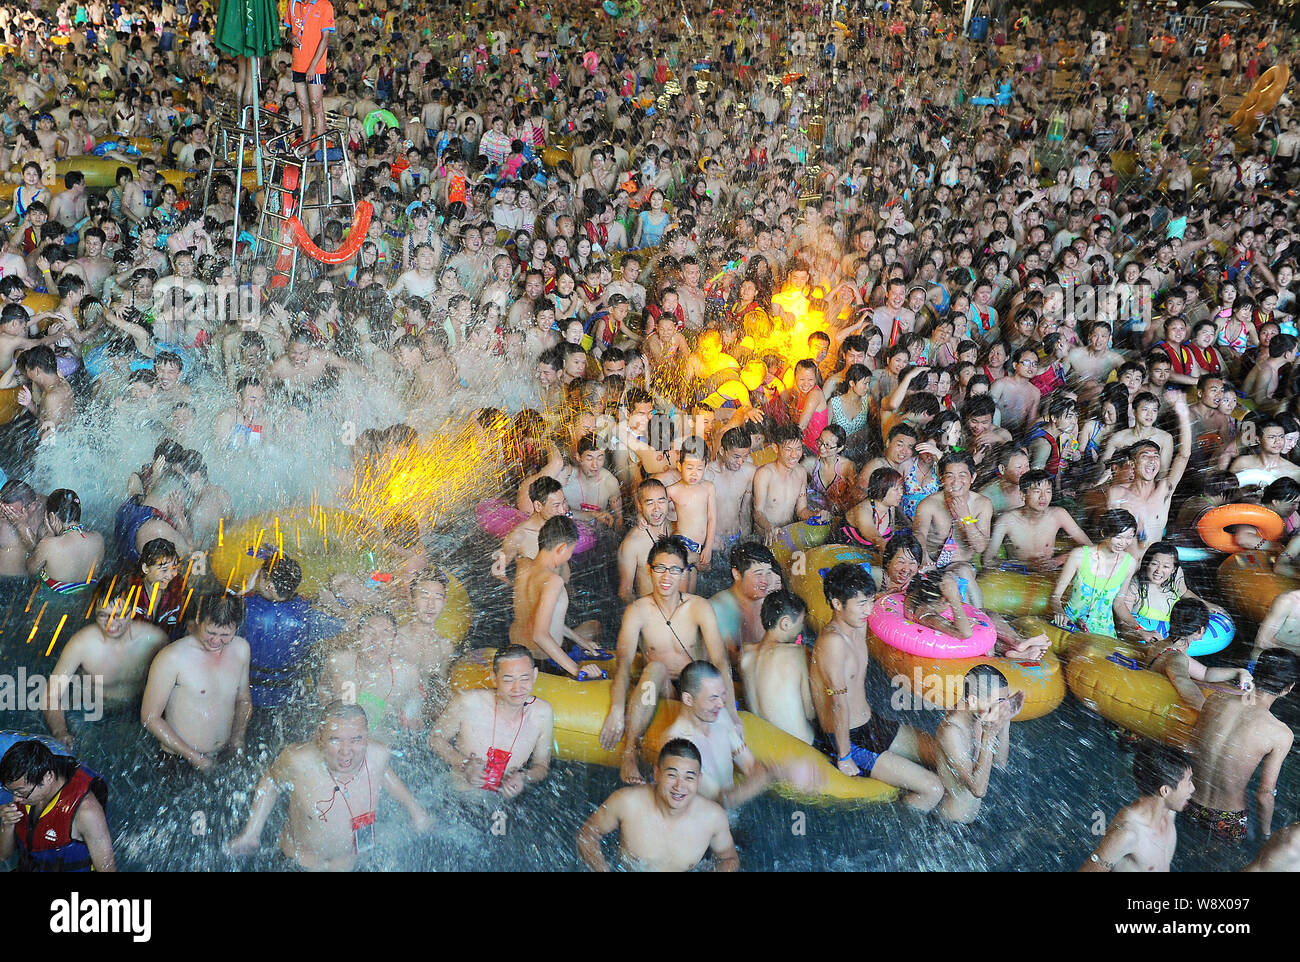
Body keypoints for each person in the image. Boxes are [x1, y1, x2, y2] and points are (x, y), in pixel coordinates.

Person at [227, 702, 433, 871]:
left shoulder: (378, 755)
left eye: (356, 740)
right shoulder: (299, 761)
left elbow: (386, 774)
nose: (346, 751)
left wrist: (415, 810)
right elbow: (271, 781)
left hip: (351, 865)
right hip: (299, 865)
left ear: (366, 736)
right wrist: (251, 833)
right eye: (335, 740)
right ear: (320, 736)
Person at [599, 536, 735, 785]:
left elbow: (720, 662)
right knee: (655, 668)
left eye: (674, 570)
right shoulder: (637, 611)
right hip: (657, 690)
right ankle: (630, 751)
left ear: (684, 573)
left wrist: (733, 714)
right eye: (660, 568)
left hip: (694, 692)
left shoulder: (699, 607)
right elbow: (623, 665)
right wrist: (617, 710)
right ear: (650, 570)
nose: (666, 577)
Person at [809, 563, 944, 809]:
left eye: (870, 602)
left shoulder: (857, 623)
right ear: (837, 604)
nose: (868, 610)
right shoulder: (831, 643)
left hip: (872, 722)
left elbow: (884, 603)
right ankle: (904, 828)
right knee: (933, 788)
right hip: (849, 739)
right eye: (862, 604)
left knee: (942, 755)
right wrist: (844, 756)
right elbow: (838, 704)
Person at [660, 660, 820, 807]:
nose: (721, 703)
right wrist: (772, 774)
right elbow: (721, 800)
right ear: (688, 699)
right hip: (704, 828)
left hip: (735, 813)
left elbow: (750, 766)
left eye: (723, 695)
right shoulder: (676, 743)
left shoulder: (721, 718)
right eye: (713, 698)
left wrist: (786, 770)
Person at [1185, 649, 1298, 843]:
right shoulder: (1280, 733)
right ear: (1288, 688)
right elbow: (1264, 795)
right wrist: (1266, 835)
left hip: (1188, 801)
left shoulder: (1215, 699)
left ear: (1255, 672)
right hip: (1228, 818)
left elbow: (1193, 747)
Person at [577, 737, 739, 872]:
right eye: (672, 775)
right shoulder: (627, 803)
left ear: (699, 780)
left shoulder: (713, 818)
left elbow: (729, 858)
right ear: (657, 774)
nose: (679, 786)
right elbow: (587, 836)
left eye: (689, 778)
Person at [140, 594, 252, 773]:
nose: (216, 641)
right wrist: (195, 758)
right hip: (178, 759)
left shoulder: (241, 649)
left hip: (222, 753)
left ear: (236, 628)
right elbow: (149, 718)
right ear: (199, 620)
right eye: (211, 632)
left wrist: (238, 739)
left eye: (225, 635)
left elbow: (244, 700)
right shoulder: (172, 657)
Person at [43, 590, 168, 747]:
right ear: (94, 611)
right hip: (88, 712)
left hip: (134, 713)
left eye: (118, 614)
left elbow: (170, 689)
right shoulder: (82, 643)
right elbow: (51, 696)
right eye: (103, 615)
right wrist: (60, 732)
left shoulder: (155, 640)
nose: (111, 623)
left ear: (133, 610)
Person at [428, 645, 553, 797]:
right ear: (494, 678)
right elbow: (435, 738)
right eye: (508, 679)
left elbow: (541, 766)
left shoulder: (542, 713)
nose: (517, 688)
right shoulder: (469, 703)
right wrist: (464, 763)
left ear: (535, 675)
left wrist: (523, 777)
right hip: (458, 796)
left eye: (525, 678)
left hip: (504, 802)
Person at [509, 515, 607, 679]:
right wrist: (577, 670)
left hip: (518, 650)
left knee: (592, 627)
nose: (569, 557)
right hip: (544, 661)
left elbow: (541, 617)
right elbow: (539, 635)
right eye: (570, 551)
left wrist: (584, 643)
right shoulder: (553, 581)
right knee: (595, 630)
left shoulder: (523, 565)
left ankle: (582, 646)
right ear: (561, 548)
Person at [0, 739, 114, 872]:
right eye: (13, 792)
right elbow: (3, 855)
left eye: (21, 792)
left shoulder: (86, 812)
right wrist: (7, 825)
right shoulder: (26, 793)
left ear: (48, 776)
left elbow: (108, 869)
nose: (16, 798)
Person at [1081, 743, 1194, 872]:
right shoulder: (1128, 833)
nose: (1193, 788)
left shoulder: (1168, 812)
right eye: (1189, 781)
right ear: (1165, 791)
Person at [935, 665, 1021, 823]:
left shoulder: (980, 717)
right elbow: (978, 789)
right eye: (999, 702)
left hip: (971, 822)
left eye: (1005, 700)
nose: (1003, 706)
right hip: (951, 826)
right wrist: (989, 735)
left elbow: (1000, 763)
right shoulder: (952, 731)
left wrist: (1005, 721)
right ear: (974, 700)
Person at [1147, 599, 1254, 713]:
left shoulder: (1163, 646)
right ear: (1200, 630)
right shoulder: (1175, 657)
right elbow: (1181, 680)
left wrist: (1238, 672)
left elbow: (1205, 673)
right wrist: (1209, 714)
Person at [740, 590, 816, 744]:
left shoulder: (745, 654)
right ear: (785, 623)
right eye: (801, 623)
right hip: (800, 749)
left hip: (765, 745)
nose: (802, 628)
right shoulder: (797, 654)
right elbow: (810, 712)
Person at [1051, 509, 1141, 637]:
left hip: (1103, 632)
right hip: (1069, 625)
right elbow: (1055, 596)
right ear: (1104, 532)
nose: (1123, 543)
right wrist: (1060, 613)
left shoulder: (1130, 563)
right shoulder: (1079, 555)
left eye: (1129, 538)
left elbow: (1119, 603)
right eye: (1118, 537)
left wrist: (1139, 629)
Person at [983, 469, 1091, 571]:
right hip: (1017, 577)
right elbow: (987, 561)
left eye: (1048, 491)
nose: (1043, 497)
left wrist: (1057, 561)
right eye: (1037, 491)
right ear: (1022, 495)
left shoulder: (1058, 514)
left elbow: (1089, 547)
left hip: (1049, 573)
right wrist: (1026, 566)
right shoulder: (1006, 520)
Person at [285, 0, 335, 148]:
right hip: (298, 63)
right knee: (303, 105)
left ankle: (318, 147)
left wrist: (313, 66)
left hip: (316, 66)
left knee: (316, 106)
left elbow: (325, 38)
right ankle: (306, 144)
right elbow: (288, 30)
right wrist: (291, 36)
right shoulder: (293, 3)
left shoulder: (325, 5)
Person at [616, 478, 671, 604]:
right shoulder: (632, 544)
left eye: (661, 501)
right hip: (651, 609)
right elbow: (625, 592)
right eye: (650, 503)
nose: (657, 509)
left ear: (668, 502)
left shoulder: (676, 528)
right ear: (640, 506)